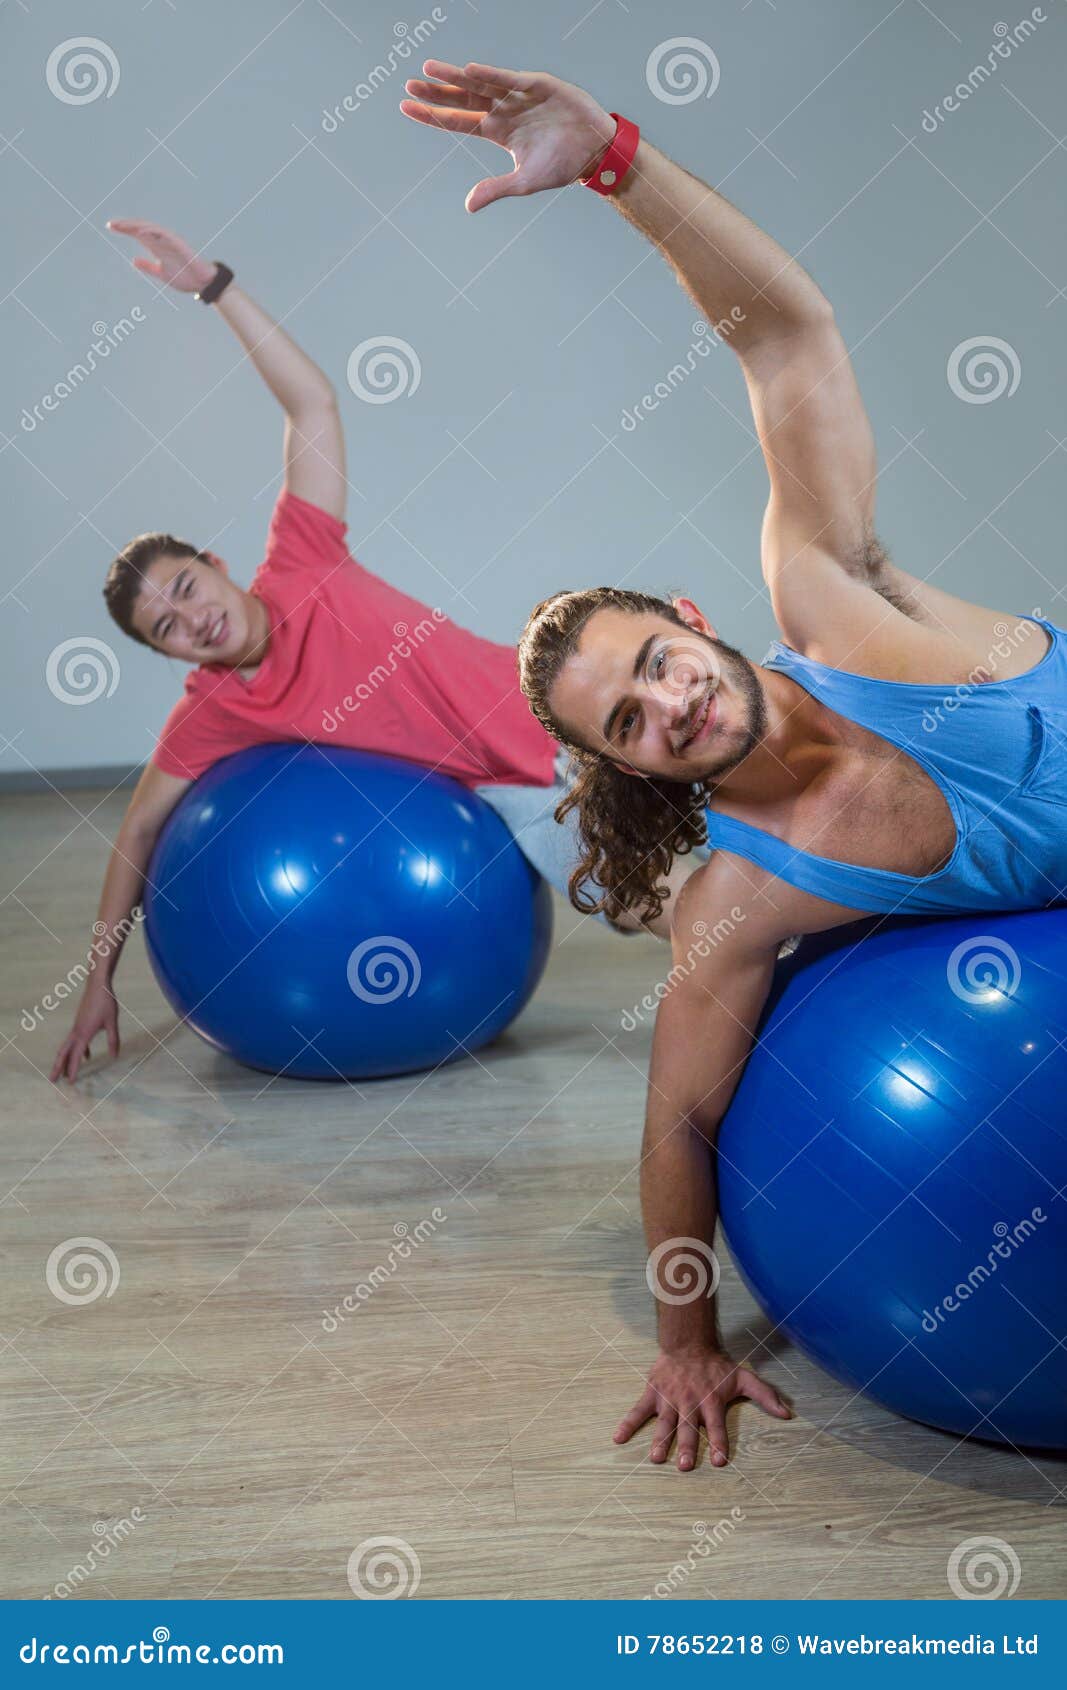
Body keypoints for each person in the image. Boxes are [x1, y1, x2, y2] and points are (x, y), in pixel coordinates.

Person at [401, 59, 1067, 1469]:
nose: (668, 706)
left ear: (689, 621)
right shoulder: (742, 905)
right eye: (626, 724)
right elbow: (678, 1122)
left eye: (653, 662)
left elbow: (783, 334)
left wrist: (611, 161)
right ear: (626, 768)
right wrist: (684, 1339)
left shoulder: (834, 595)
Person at [51, 218, 697, 1085]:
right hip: (513, 794)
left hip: (570, 705)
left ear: (213, 565)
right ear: (167, 653)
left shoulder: (303, 556)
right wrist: (98, 979)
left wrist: (218, 290)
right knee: (672, 904)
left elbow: (311, 404)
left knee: (769, 802)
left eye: (184, 589)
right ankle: (793, 981)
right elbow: (136, 836)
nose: (191, 619)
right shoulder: (213, 715)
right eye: (165, 627)